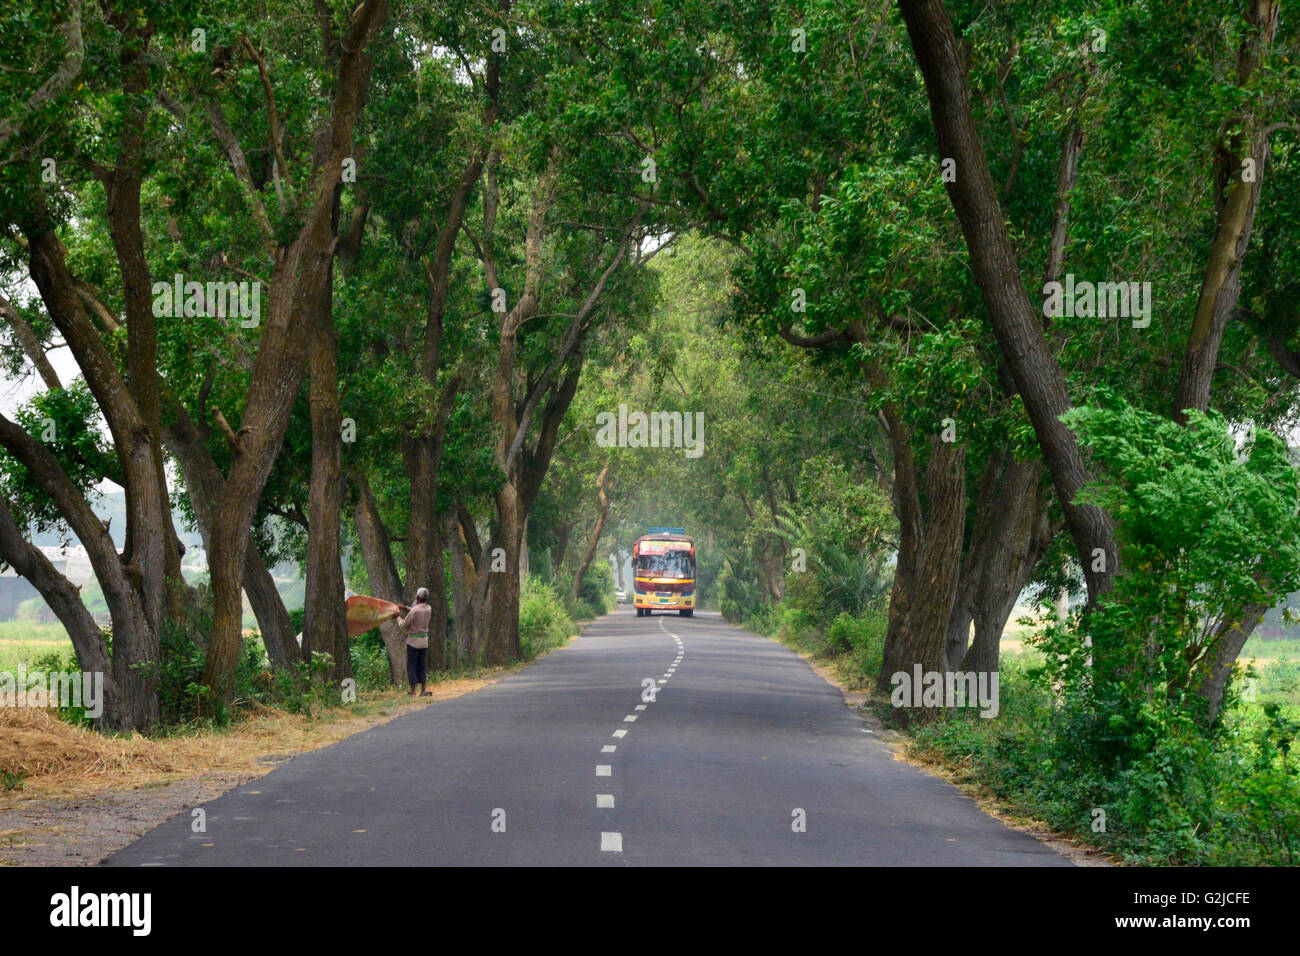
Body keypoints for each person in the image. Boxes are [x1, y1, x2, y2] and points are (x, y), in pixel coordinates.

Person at [396, 588, 433, 697]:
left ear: (417, 597)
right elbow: (417, 610)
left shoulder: (415, 611)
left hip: (413, 643)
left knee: (411, 666)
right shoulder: (428, 608)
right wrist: (405, 608)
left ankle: (412, 692)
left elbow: (403, 625)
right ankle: (423, 690)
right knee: (422, 666)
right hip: (424, 642)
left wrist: (398, 617)